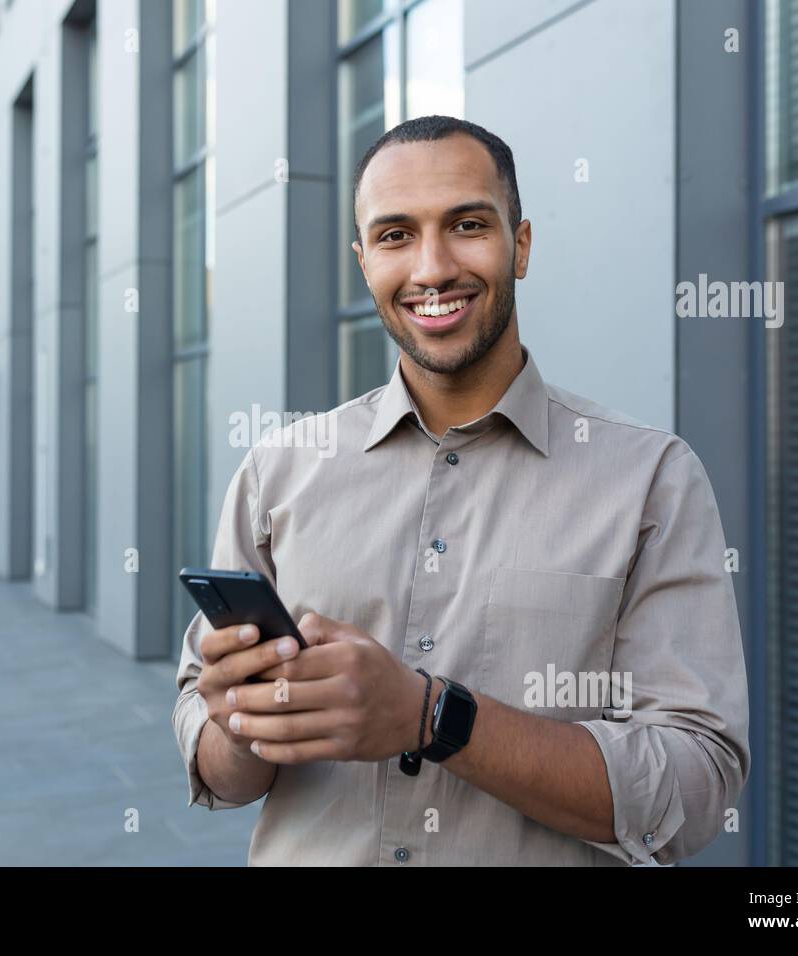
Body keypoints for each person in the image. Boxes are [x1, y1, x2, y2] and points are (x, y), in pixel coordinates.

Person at [172, 114, 749, 866]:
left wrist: (432, 717)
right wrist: (243, 722)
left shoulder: (651, 479)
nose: (432, 267)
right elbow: (220, 771)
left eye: (468, 224)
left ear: (523, 245)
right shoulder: (277, 471)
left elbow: (694, 788)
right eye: (394, 236)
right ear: (364, 261)